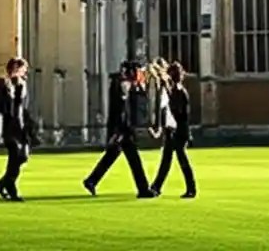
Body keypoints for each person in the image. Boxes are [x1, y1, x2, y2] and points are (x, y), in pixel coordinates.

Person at [82, 60, 156, 199]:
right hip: (123, 129)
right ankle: (143, 189)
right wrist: (119, 131)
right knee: (134, 160)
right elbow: (121, 110)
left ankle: (91, 180)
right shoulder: (123, 85)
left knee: (111, 156)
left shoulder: (123, 83)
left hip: (122, 128)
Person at [150, 61, 197, 198]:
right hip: (174, 130)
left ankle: (191, 188)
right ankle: (157, 186)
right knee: (167, 160)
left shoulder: (178, 91)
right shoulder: (177, 90)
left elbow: (178, 112)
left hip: (178, 131)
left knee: (182, 161)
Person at [0, 57, 35, 202]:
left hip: (21, 126)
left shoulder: (22, 84)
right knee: (14, 157)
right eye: (21, 68)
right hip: (9, 126)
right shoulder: (3, 83)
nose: (23, 71)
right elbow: (1, 106)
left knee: (22, 157)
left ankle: (3, 183)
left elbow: (23, 107)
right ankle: (11, 188)